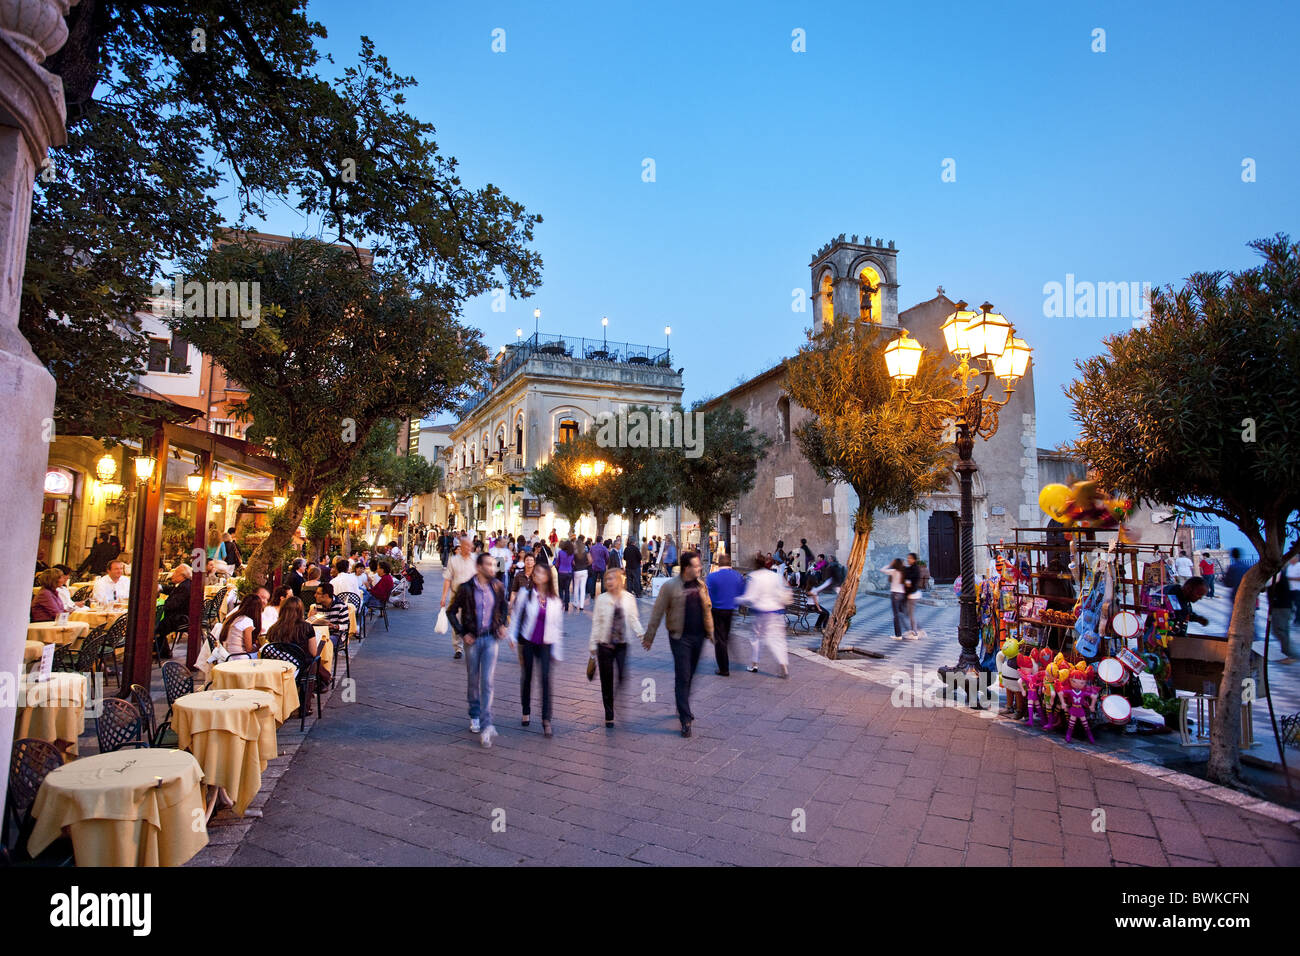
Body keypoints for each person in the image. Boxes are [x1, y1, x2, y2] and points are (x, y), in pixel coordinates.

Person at [643, 551, 713, 737]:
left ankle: (682, 705)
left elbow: (707, 610)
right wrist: (649, 636)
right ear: (687, 568)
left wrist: (711, 632)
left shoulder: (701, 586)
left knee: (689, 676)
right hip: (679, 637)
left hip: (698, 637)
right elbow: (657, 612)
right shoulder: (670, 587)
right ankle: (685, 719)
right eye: (696, 565)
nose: (699, 568)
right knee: (683, 675)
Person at [445, 553, 510, 747]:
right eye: (489, 565)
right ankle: (474, 714)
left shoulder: (497, 586)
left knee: (487, 681)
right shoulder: (466, 588)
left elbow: (504, 607)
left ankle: (487, 721)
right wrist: (462, 631)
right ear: (479, 567)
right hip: (472, 640)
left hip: (491, 639)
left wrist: (502, 625)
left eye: (493, 565)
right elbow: (451, 611)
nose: (493, 568)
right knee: (473, 679)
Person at [511, 561, 563, 736]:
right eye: (536, 573)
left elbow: (557, 626)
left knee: (546, 679)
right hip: (528, 640)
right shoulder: (526, 594)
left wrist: (557, 651)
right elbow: (517, 616)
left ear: (547, 577)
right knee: (527, 677)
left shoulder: (555, 600)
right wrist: (512, 636)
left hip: (546, 643)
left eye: (541, 572)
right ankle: (526, 710)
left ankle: (546, 719)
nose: (538, 575)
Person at [589, 567, 644, 727]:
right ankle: (609, 713)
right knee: (606, 681)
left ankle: (616, 698)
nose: (609, 582)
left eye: (612, 578)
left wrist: (642, 635)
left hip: (621, 644)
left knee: (621, 676)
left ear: (620, 580)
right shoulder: (601, 599)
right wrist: (593, 645)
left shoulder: (628, 598)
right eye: (607, 579)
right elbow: (596, 622)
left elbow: (633, 619)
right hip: (604, 644)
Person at [740, 554, 791, 677]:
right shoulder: (775, 576)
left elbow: (751, 597)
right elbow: (783, 591)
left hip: (762, 612)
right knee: (777, 639)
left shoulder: (753, 577)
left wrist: (737, 600)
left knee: (755, 638)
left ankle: (754, 663)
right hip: (777, 611)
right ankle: (783, 664)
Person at [706, 553, 745, 676]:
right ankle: (726, 660)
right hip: (730, 609)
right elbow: (741, 592)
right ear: (730, 563)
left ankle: (723, 668)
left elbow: (708, 595)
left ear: (718, 563)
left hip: (717, 609)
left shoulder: (712, 577)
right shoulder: (738, 576)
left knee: (720, 638)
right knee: (725, 636)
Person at [440, 536, 478, 660]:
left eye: (469, 545)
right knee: (456, 621)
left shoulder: (476, 560)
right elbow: (447, 579)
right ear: (460, 546)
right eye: (465, 545)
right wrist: (444, 596)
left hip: (472, 597)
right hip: (456, 595)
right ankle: (458, 648)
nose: (467, 548)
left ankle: (471, 646)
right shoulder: (453, 560)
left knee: (472, 622)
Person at [156, 565, 193, 660]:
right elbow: (173, 590)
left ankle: (159, 651)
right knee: (157, 624)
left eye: (175, 573)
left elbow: (172, 605)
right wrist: (160, 587)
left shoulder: (184, 587)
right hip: (181, 616)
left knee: (155, 626)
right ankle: (162, 651)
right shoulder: (185, 584)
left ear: (182, 576)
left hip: (180, 618)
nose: (172, 575)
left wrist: (160, 604)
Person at [219, 593, 263, 659]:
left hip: (228, 655)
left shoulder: (235, 617)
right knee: (264, 654)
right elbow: (249, 649)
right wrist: (259, 647)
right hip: (239, 658)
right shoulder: (247, 621)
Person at [1266, 566, 1296, 663]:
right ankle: (1288, 653)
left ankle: (1288, 654)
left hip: (1281, 607)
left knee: (1279, 630)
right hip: (1282, 607)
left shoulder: (1277, 575)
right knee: (1281, 631)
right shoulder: (1279, 574)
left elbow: (1267, 585)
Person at [883, 558, 906, 638]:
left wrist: (890, 564)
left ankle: (898, 635)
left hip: (895, 594)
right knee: (902, 613)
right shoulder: (904, 572)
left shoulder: (893, 572)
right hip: (903, 594)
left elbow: (883, 570)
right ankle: (909, 631)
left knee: (896, 615)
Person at [902, 553, 922, 640]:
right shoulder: (911, 568)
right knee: (908, 613)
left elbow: (910, 582)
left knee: (910, 614)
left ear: (914, 560)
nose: (908, 560)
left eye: (910, 558)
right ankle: (917, 629)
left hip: (912, 595)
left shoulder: (915, 569)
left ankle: (915, 632)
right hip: (910, 594)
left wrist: (907, 584)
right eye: (908, 558)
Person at [554, 539, 575, 611]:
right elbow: (573, 563)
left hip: (561, 572)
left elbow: (558, 562)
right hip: (569, 572)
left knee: (560, 589)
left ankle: (561, 604)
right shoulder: (572, 554)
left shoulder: (560, 552)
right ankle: (567, 605)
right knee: (567, 589)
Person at [572, 536, 591, 612]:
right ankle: (582, 605)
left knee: (576, 587)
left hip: (577, 570)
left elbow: (572, 562)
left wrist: (576, 565)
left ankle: (576, 603)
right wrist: (586, 564)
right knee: (583, 588)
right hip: (584, 570)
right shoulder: (586, 552)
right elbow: (590, 560)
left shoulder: (575, 553)